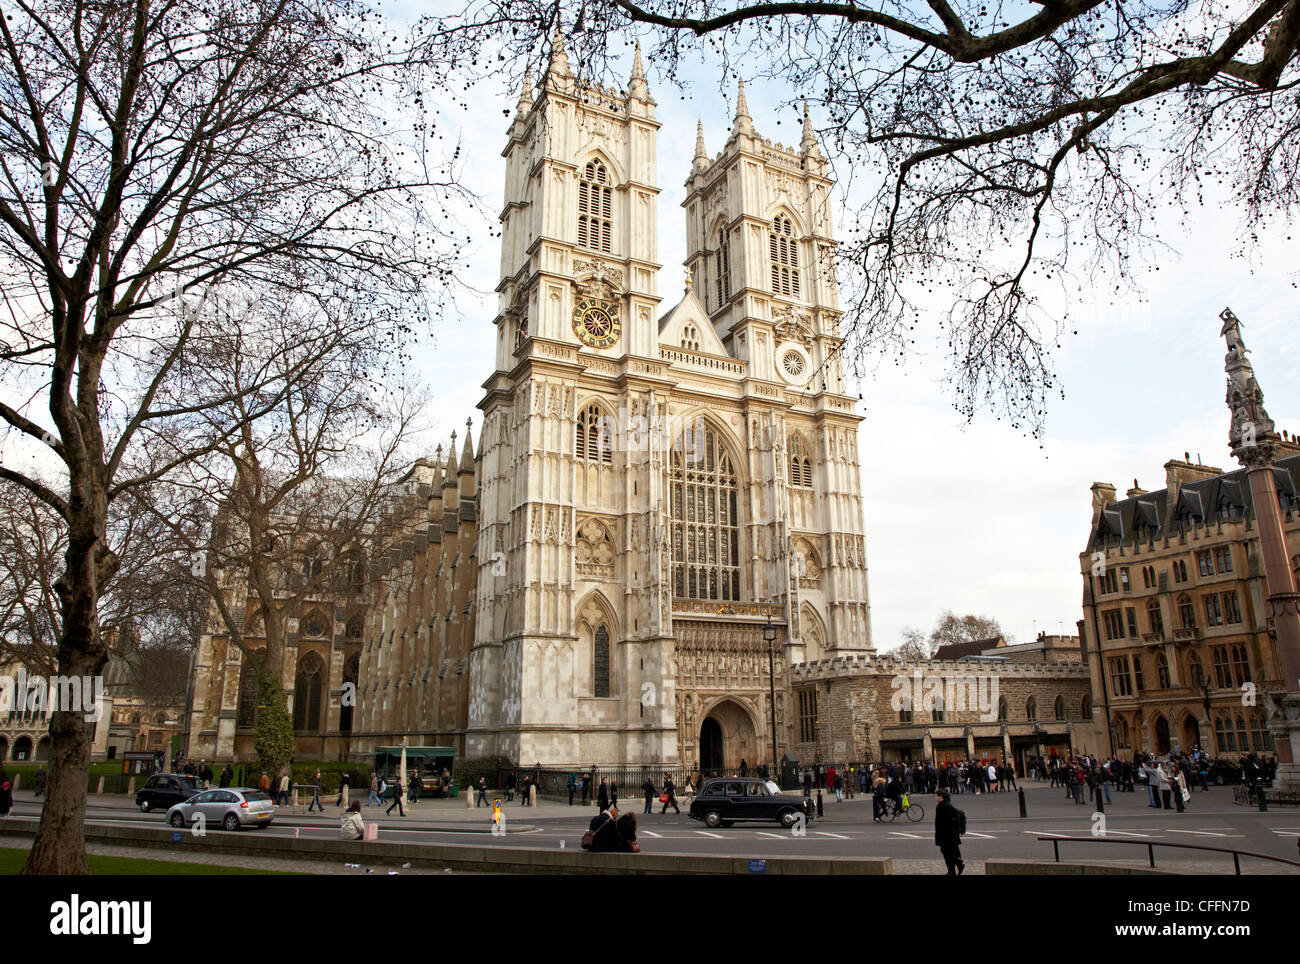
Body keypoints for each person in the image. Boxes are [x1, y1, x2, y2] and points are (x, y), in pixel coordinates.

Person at [934, 788, 965, 875]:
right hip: (948, 834)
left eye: (937, 796)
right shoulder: (945, 805)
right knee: (948, 852)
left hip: (947, 835)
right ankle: (954, 868)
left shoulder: (943, 806)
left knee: (947, 852)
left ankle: (956, 866)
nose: (936, 798)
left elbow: (950, 820)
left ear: (941, 797)